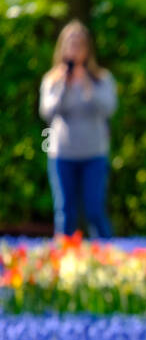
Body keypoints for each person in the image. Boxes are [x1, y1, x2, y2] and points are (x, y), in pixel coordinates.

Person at [39, 20, 117, 238]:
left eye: (78, 45)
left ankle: (110, 260)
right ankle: (61, 265)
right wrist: (64, 85)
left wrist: (87, 85)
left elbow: (108, 108)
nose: (74, 49)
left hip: (94, 153)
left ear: (87, 49)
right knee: (65, 213)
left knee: (95, 211)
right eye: (69, 45)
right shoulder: (53, 80)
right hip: (62, 153)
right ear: (62, 48)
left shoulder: (101, 78)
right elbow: (47, 112)